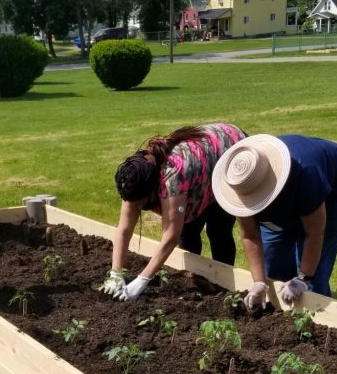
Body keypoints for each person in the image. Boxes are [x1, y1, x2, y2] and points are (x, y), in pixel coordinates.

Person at [101, 123, 246, 300]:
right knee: (188, 231)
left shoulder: (172, 176)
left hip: (227, 154)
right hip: (198, 170)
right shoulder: (135, 178)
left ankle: (223, 286)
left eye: (140, 204)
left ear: (154, 189)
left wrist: (142, 280)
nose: (137, 208)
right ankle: (196, 278)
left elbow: (170, 235)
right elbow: (124, 230)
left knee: (218, 230)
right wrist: (116, 273)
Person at [211, 133, 337, 309]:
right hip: (292, 196)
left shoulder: (306, 175)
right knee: (273, 267)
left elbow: (315, 233)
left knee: (314, 280)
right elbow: (250, 235)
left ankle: (315, 313)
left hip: (334, 193)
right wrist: (259, 282)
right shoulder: (242, 187)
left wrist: (303, 279)